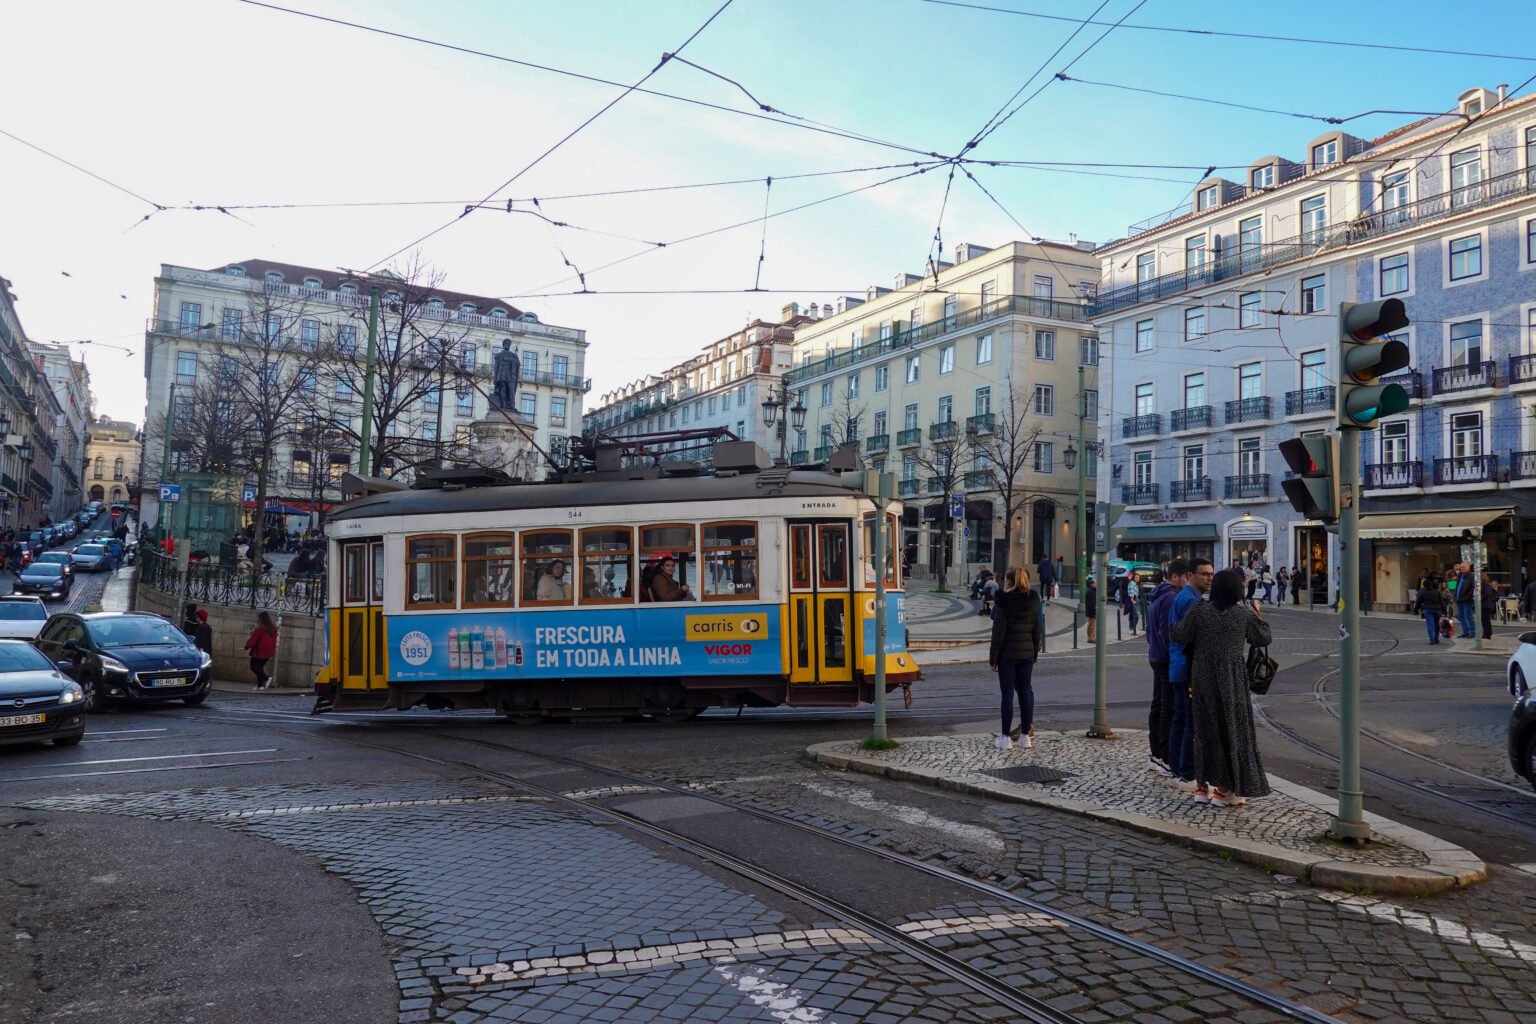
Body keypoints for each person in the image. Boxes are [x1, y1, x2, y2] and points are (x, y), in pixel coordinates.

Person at [1170, 568, 1273, 808]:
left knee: (1205, 729)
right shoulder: (1241, 615)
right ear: (1238, 590)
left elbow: (1179, 635)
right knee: (1232, 729)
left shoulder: (1200, 611)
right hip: (1232, 677)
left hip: (1203, 676)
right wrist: (1257, 614)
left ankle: (1202, 786)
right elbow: (1264, 638)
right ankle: (1225, 788)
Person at [1165, 557, 1214, 795]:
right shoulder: (1191, 602)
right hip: (1186, 668)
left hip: (1178, 666)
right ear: (1190, 575)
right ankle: (1185, 772)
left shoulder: (1186, 598)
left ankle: (1176, 769)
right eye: (1204, 574)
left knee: (1180, 718)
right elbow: (1188, 639)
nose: (1209, 578)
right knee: (1188, 723)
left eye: (1211, 574)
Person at [989, 566, 1042, 751]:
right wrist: (1035, 652)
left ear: (1009, 581)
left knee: (1007, 695)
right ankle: (1026, 737)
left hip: (1007, 655)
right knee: (1026, 692)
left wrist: (993, 658)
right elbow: (1037, 629)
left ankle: (1005, 738)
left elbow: (998, 633)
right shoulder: (1033, 600)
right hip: (1027, 653)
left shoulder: (1003, 601)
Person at [1144, 562, 1185, 778]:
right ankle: (1164, 756)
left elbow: (1151, 631)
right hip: (1165, 658)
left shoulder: (1157, 595)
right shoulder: (1170, 598)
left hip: (1156, 656)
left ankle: (1156, 755)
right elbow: (1166, 632)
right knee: (1167, 707)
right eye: (1185, 577)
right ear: (1176, 576)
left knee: (1159, 705)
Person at [244, 611, 279, 691]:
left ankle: (266, 678)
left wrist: (247, 646)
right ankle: (260, 685)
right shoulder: (273, 629)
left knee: (253, 667)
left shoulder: (260, 629)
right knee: (260, 667)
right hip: (268, 652)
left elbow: (253, 640)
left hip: (259, 651)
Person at [1414, 576, 1446, 644]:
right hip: (1437, 610)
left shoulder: (1422, 592)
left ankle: (1432, 639)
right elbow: (1442, 602)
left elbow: (1418, 602)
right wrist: (1445, 611)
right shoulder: (1437, 592)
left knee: (1430, 624)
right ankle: (1436, 639)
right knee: (1436, 624)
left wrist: (1415, 610)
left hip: (1428, 610)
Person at [1455, 563, 1477, 640]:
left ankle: (1472, 632)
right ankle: (1466, 632)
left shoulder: (1471, 576)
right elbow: (1457, 586)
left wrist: (1467, 597)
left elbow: (1472, 588)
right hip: (1459, 599)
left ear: (1468, 567)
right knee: (1460, 616)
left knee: (1468, 616)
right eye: (1461, 567)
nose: (1462, 568)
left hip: (1466, 600)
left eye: (1463, 567)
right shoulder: (1460, 576)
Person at [1481, 572, 1499, 640]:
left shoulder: (1486, 585)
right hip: (1485, 604)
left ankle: (1487, 633)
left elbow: (1487, 594)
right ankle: (1486, 633)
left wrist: (1480, 598)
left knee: (1485, 620)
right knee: (1484, 620)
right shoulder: (1485, 584)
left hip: (1486, 605)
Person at [1083, 577, 1097, 642]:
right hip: (1092, 612)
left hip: (1092, 611)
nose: (1097, 584)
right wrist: (1094, 612)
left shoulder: (1092, 591)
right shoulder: (1090, 592)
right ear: (1092, 584)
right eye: (1096, 583)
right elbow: (1091, 604)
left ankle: (1092, 637)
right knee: (1092, 625)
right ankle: (1091, 638)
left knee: (1092, 625)